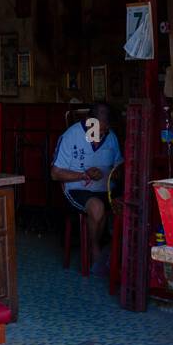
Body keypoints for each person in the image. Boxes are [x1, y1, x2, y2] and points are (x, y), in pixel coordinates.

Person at [51, 102, 122, 270]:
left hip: (106, 189)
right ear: (89, 121)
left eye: (105, 130)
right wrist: (83, 175)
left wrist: (114, 172)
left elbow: (120, 167)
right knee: (97, 208)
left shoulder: (111, 137)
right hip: (77, 188)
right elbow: (55, 173)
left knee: (120, 206)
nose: (102, 133)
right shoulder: (71, 136)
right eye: (99, 129)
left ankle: (113, 253)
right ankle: (95, 250)